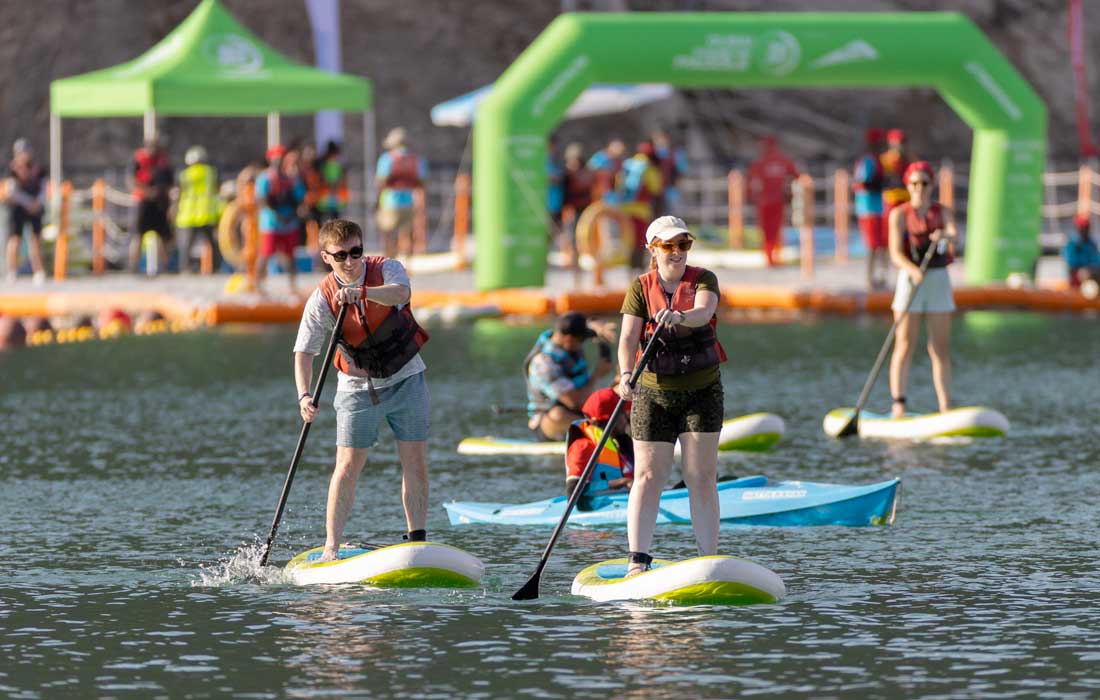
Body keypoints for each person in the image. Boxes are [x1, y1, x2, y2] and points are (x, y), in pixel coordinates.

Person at [293, 218, 432, 560]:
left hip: (407, 378)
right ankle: (331, 547)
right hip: (358, 389)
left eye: (357, 252)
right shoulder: (321, 299)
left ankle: (417, 540)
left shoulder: (387, 269)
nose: (351, 261)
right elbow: (304, 352)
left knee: (415, 461)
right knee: (347, 466)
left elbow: (402, 294)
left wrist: (362, 292)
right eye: (341, 256)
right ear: (326, 257)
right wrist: (304, 395)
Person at [617, 215, 727, 577]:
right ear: (653, 249)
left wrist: (679, 315)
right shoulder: (639, 287)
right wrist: (625, 375)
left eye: (683, 244)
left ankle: (707, 558)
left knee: (701, 476)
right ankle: (638, 560)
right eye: (669, 245)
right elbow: (628, 340)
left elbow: (704, 312)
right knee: (648, 476)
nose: (677, 252)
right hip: (653, 394)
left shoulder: (703, 279)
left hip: (701, 392)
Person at [887, 161, 958, 419]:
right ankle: (899, 404)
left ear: (931, 185)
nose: (919, 189)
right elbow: (895, 253)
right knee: (904, 344)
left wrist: (945, 237)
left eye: (924, 184)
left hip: (937, 280)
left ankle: (945, 405)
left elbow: (953, 233)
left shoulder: (942, 212)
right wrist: (912, 269)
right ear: (908, 185)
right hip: (911, 280)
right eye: (914, 183)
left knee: (939, 347)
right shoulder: (899, 215)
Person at [525, 311, 616, 441]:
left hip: (580, 411)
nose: (583, 343)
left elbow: (588, 325)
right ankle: (603, 434)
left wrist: (598, 327)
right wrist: (597, 374)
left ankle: (602, 430)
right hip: (549, 421)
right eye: (582, 340)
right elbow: (575, 402)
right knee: (558, 415)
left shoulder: (567, 337)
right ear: (568, 338)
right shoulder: (544, 363)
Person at [564, 387, 635, 504]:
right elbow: (573, 492)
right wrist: (621, 483)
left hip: (627, 500)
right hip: (598, 506)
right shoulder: (582, 447)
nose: (627, 419)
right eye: (623, 414)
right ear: (611, 419)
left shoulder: (623, 443)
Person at [255, 144, 305, 293]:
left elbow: (299, 198)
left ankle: (292, 286)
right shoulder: (265, 178)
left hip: (289, 223)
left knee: (290, 256)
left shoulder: (292, 179)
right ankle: (258, 285)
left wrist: (291, 216)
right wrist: (279, 216)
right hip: (270, 223)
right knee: (265, 253)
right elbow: (262, 201)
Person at [746, 136, 800, 267]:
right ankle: (773, 257)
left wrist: (752, 197)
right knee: (775, 229)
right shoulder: (783, 161)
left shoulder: (761, 162)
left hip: (765, 201)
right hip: (777, 201)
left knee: (767, 230)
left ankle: (770, 258)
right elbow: (797, 176)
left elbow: (749, 181)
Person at [375, 128, 427, 258]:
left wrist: (377, 202)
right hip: (409, 200)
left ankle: (389, 258)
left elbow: (380, 181)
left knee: (387, 233)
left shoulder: (387, 159)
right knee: (407, 233)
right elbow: (422, 181)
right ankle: (408, 262)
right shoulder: (416, 159)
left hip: (389, 200)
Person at [128, 137, 174, 274]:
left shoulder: (163, 162)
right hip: (143, 202)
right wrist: (146, 192)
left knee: (164, 237)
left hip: (160, 203)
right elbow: (131, 180)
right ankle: (133, 267)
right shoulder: (138, 160)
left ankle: (166, 267)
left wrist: (167, 200)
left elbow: (169, 183)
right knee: (138, 235)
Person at [616, 141, 664, 272]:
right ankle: (637, 269)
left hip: (624, 210)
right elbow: (656, 189)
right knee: (641, 241)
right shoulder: (649, 168)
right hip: (641, 210)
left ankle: (628, 268)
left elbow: (618, 185)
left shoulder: (628, 164)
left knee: (628, 239)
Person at [174, 145, 222, 273]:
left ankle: (185, 268)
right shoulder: (211, 172)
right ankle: (216, 268)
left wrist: (173, 210)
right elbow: (217, 190)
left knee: (186, 245)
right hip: (207, 213)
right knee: (212, 243)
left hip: (188, 215)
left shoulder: (184, 175)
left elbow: (178, 193)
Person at [5, 139, 47, 283]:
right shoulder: (12, 169)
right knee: (14, 239)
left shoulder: (38, 169)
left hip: (35, 207)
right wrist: (28, 202)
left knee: (35, 239)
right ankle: (12, 271)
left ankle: (38, 271)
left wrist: (37, 203)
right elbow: (11, 191)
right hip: (19, 207)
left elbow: (43, 188)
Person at [853, 128, 889, 289]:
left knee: (881, 244)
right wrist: (879, 185)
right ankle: (870, 279)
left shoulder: (876, 160)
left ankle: (879, 277)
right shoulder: (868, 161)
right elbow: (861, 183)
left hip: (877, 207)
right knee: (872, 245)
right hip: (868, 208)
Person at [560, 142, 594, 266]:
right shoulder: (567, 173)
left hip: (583, 208)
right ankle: (572, 260)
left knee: (581, 235)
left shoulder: (584, 172)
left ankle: (579, 259)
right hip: (571, 209)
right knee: (570, 235)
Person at [652, 128, 689, 215]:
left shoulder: (676, 152)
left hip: (671, 190)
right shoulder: (652, 154)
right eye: (657, 139)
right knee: (656, 216)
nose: (659, 141)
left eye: (661, 138)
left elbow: (682, 169)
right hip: (656, 191)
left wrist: (679, 181)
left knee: (674, 214)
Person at [880, 128, 911, 224]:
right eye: (897, 142)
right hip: (891, 200)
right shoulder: (885, 160)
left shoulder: (909, 159)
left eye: (902, 142)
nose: (900, 146)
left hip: (906, 199)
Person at [1064, 213, 1100, 291]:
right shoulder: (1072, 244)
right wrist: (1084, 270)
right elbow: (1072, 262)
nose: (1085, 230)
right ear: (1078, 228)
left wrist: (1091, 270)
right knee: (1082, 273)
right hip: (1077, 276)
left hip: (1092, 275)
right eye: (1082, 228)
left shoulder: (1092, 244)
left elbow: (1097, 261)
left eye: (1086, 227)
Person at [317, 140, 349, 223]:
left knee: (333, 223)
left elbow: (342, 180)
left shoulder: (335, 165)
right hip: (327, 200)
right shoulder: (324, 164)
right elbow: (322, 180)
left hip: (332, 200)